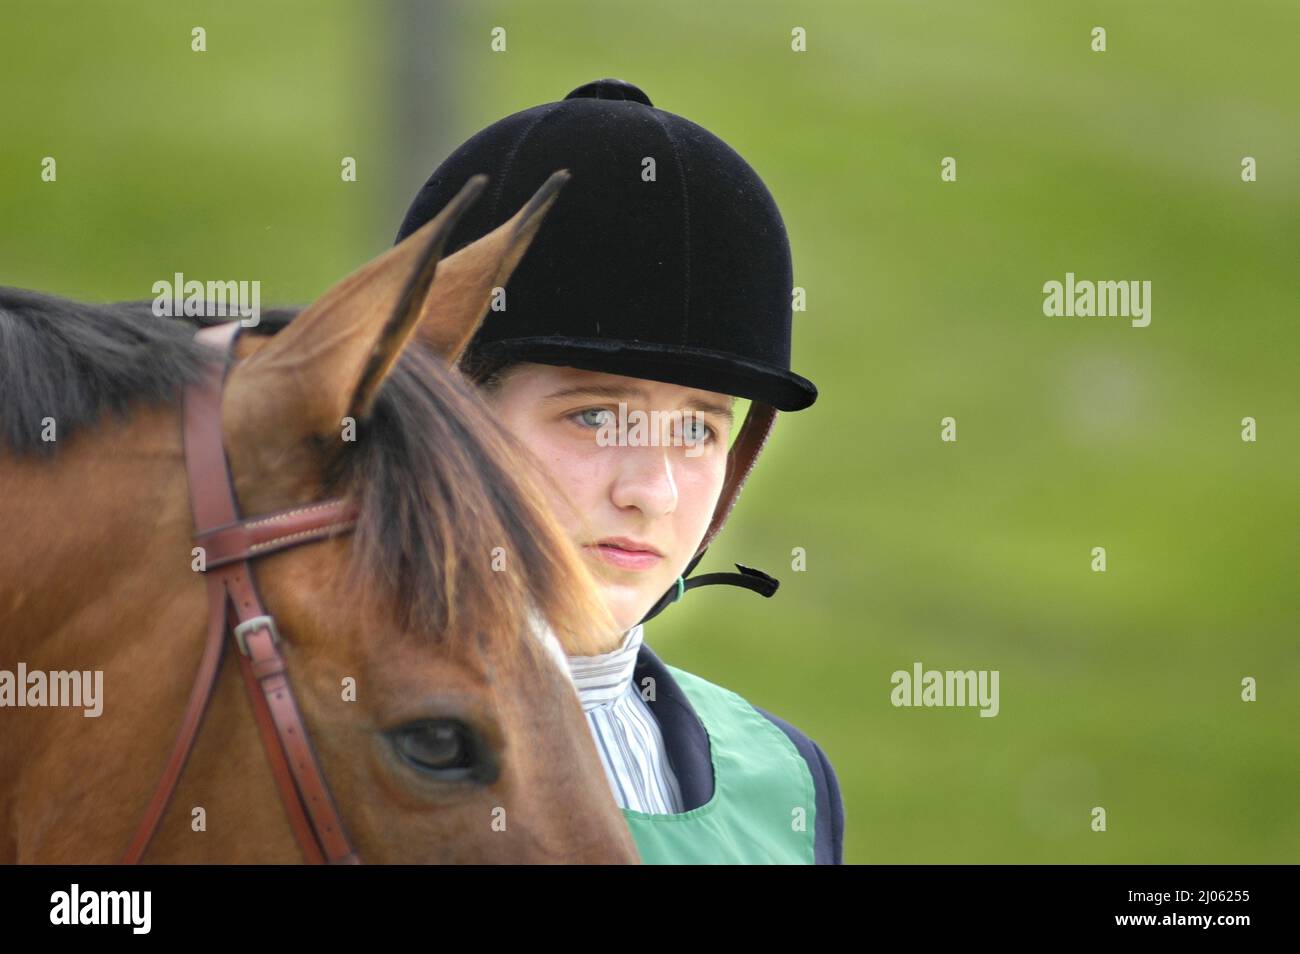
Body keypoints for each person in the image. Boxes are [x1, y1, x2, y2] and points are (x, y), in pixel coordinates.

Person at [395, 78, 844, 863]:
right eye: (595, 418)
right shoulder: (312, 741)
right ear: (442, 420)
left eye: (700, 430)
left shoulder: (789, 784)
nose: (653, 494)